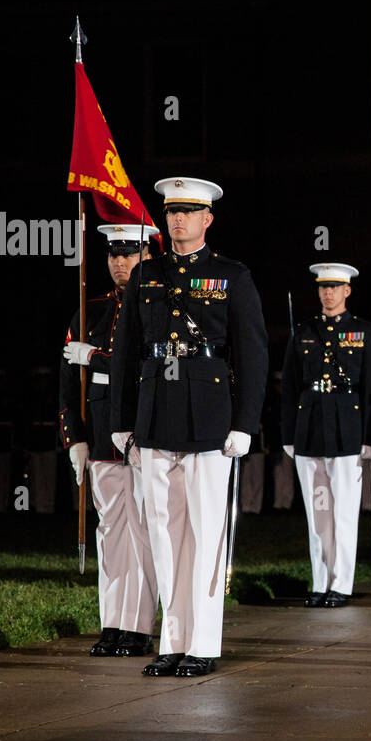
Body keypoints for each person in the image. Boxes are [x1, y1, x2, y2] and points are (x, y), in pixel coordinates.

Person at [109, 177, 268, 678]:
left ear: (207, 219)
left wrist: (245, 423)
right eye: (171, 211)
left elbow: (253, 357)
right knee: (163, 535)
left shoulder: (231, 277)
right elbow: (127, 354)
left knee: (204, 536)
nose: (177, 219)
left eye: (188, 212)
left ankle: (202, 643)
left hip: (210, 421)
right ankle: (172, 642)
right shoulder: (147, 275)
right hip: (156, 417)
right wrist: (121, 421)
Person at [60, 222, 160, 657]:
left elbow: (142, 366)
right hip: (101, 440)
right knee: (110, 533)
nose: (120, 263)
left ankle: (139, 627)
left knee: (141, 531)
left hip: (141, 439)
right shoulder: (89, 309)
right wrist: (74, 439)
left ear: (148, 257)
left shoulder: (157, 308)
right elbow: (67, 381)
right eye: (114, 255)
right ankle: (114, 623)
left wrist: (97, 357)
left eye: (130, 254)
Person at [282, 263, 371, 607]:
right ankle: (320, 581)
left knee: (343, 513)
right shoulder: (303, 331)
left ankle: (341, 583)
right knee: (317, 513)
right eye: (323, 287)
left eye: (335, 287)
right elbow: (290, 387)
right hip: (309, 430)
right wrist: (288, 435)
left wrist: (369, 437)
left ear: (347, 291)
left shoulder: (364, 331)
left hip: (347, 431)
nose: (328, 293)